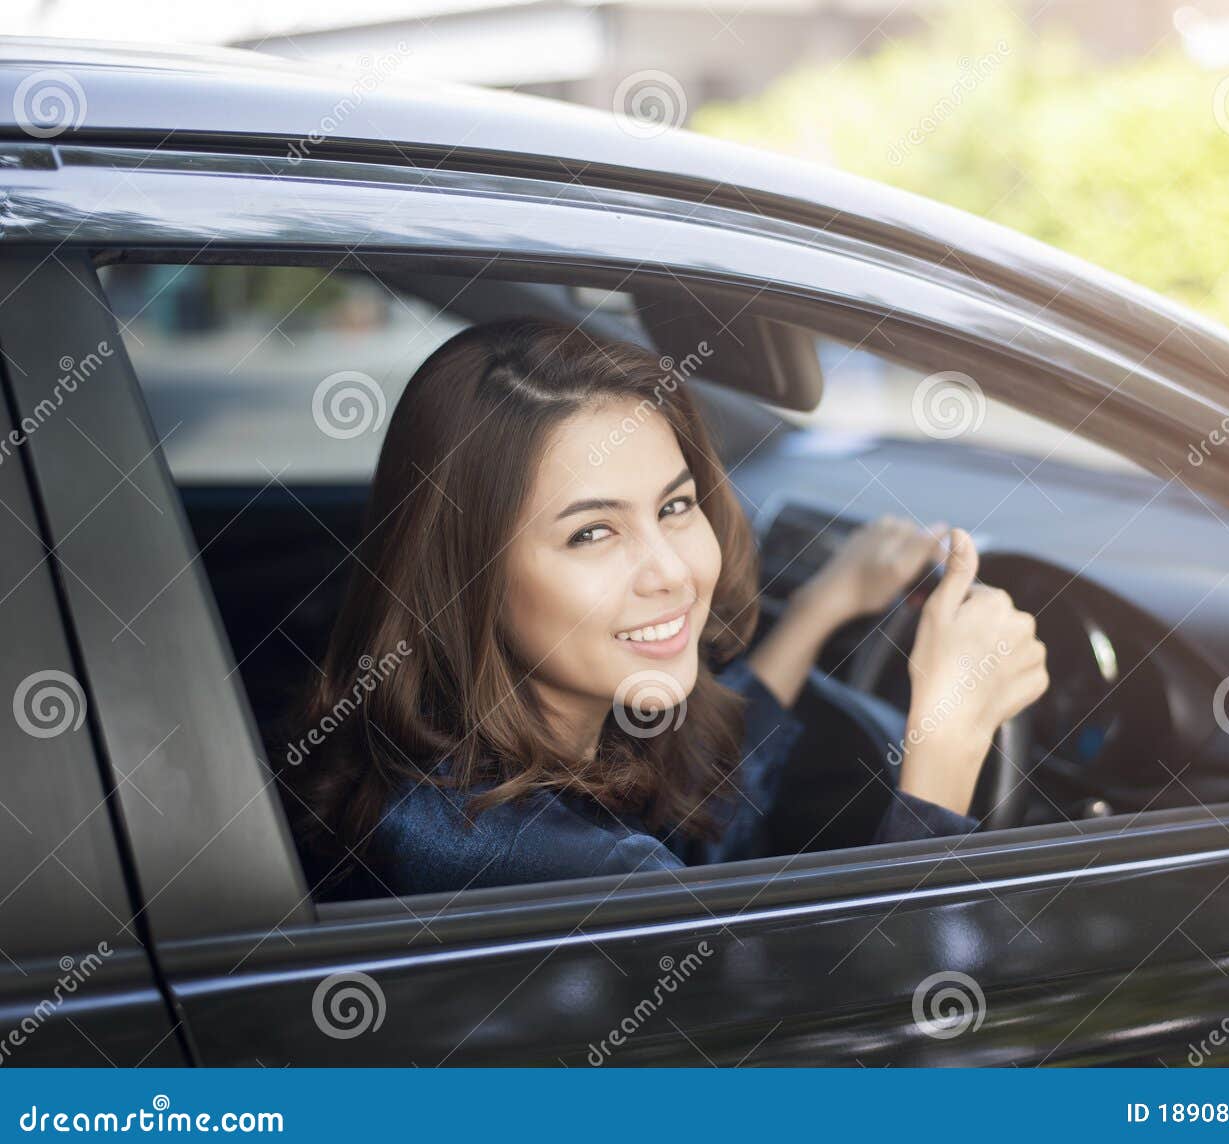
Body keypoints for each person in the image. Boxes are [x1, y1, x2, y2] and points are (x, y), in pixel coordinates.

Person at [284, 320, 1048, 900]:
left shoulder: (432, 764)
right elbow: (870, 1029)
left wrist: (820, 611)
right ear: (464, 574)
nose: (673, 573)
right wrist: (946, 744)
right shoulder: (574, 874)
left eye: (676, 506)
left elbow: (709, 818)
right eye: (592, 532)